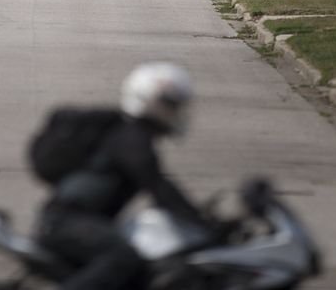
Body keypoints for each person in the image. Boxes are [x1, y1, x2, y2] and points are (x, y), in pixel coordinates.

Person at [36, 63, 213, 290]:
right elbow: (159, 188)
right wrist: (203, 225)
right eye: (170, 104)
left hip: (80, 221)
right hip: (68, 223)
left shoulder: (129, 134)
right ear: (146, 99)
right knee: (122, 257)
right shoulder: (132, 140)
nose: (176, 112)